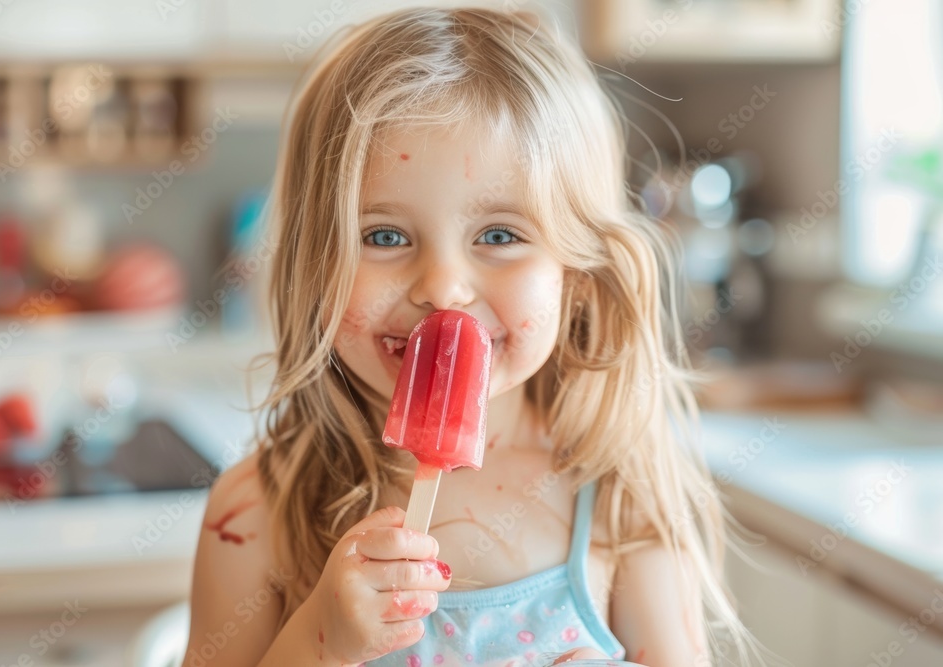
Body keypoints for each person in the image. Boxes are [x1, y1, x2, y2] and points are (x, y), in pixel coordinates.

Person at [182, 6, 761, 666]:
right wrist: (319, 640)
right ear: (311, 267)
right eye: (384, 235)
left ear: (576, 275)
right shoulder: (256, 511)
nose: (443, 288)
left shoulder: (620, 497)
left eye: (499, 235)